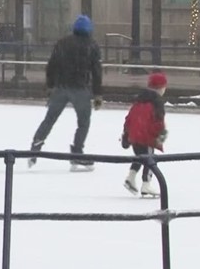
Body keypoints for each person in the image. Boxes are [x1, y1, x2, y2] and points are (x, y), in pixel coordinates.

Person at [28, 14, 103, 171]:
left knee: (50, 119)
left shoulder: (62, 43)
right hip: (80, 89)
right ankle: (77, 152)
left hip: (61, 88)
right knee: (83, 122)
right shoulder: (92, 46)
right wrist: (97, 94)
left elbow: (52, 65)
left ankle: (36, 144)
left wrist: (50, 85)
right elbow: (96, 72)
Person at [121, 71, 168, 197]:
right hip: (146, 136)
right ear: (161, 88)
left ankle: (130, 177)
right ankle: (146, 184)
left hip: (135, 135)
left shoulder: (139, 101)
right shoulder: (157, 102)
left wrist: (126, 134)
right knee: (150, 160)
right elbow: (158, 121)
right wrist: (160, 134)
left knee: (140, 157)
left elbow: (129, 118)